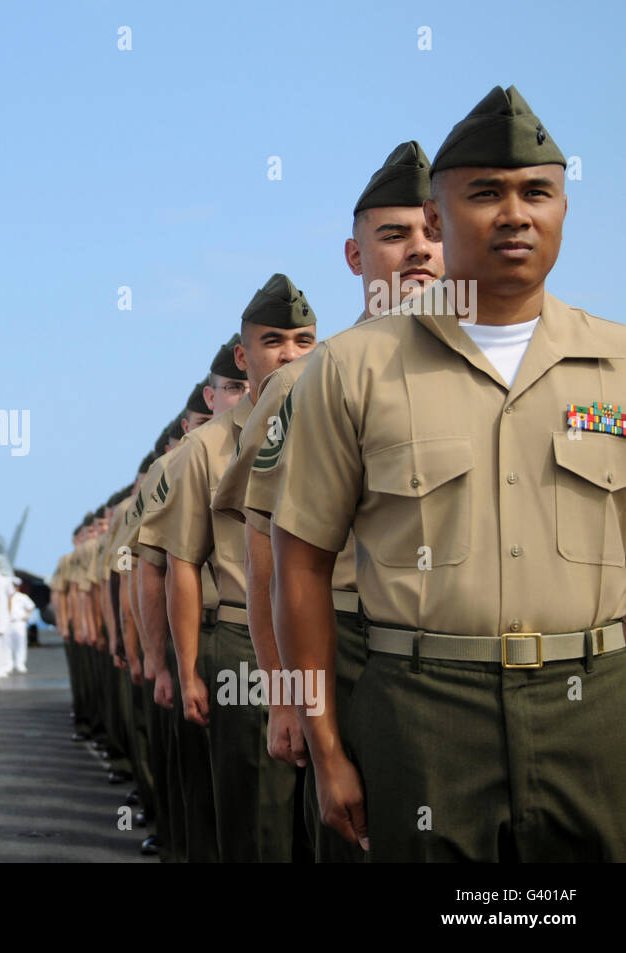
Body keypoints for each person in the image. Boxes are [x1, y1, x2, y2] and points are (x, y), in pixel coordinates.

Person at [271, 86, 626, 861]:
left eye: (538, 193)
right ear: (437, 218)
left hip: (596, 706)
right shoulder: (355, 369)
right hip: (424, 711)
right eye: (485, 194)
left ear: (565, 208)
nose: (515, 214)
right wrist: (327, 747)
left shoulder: (618, 364)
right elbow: (299, 563)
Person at [212, 140, 441, 862]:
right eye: (394, 234)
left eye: (434, 231)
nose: (419, 251)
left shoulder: (506, 371)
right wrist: (284, 696)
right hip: (348, 650)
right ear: (354, 255)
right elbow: (267, 556)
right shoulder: (306, 382)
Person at [140, 281, 316, 862]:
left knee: (329, 817)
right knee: (256, 814)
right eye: (273, 342)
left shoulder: (337, 423)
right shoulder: (203, 450)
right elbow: (181, 565)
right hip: (242, 641)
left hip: (329, 640)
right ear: (244, 357)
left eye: (304, 341)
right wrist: (184, 669)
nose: (290, 355)